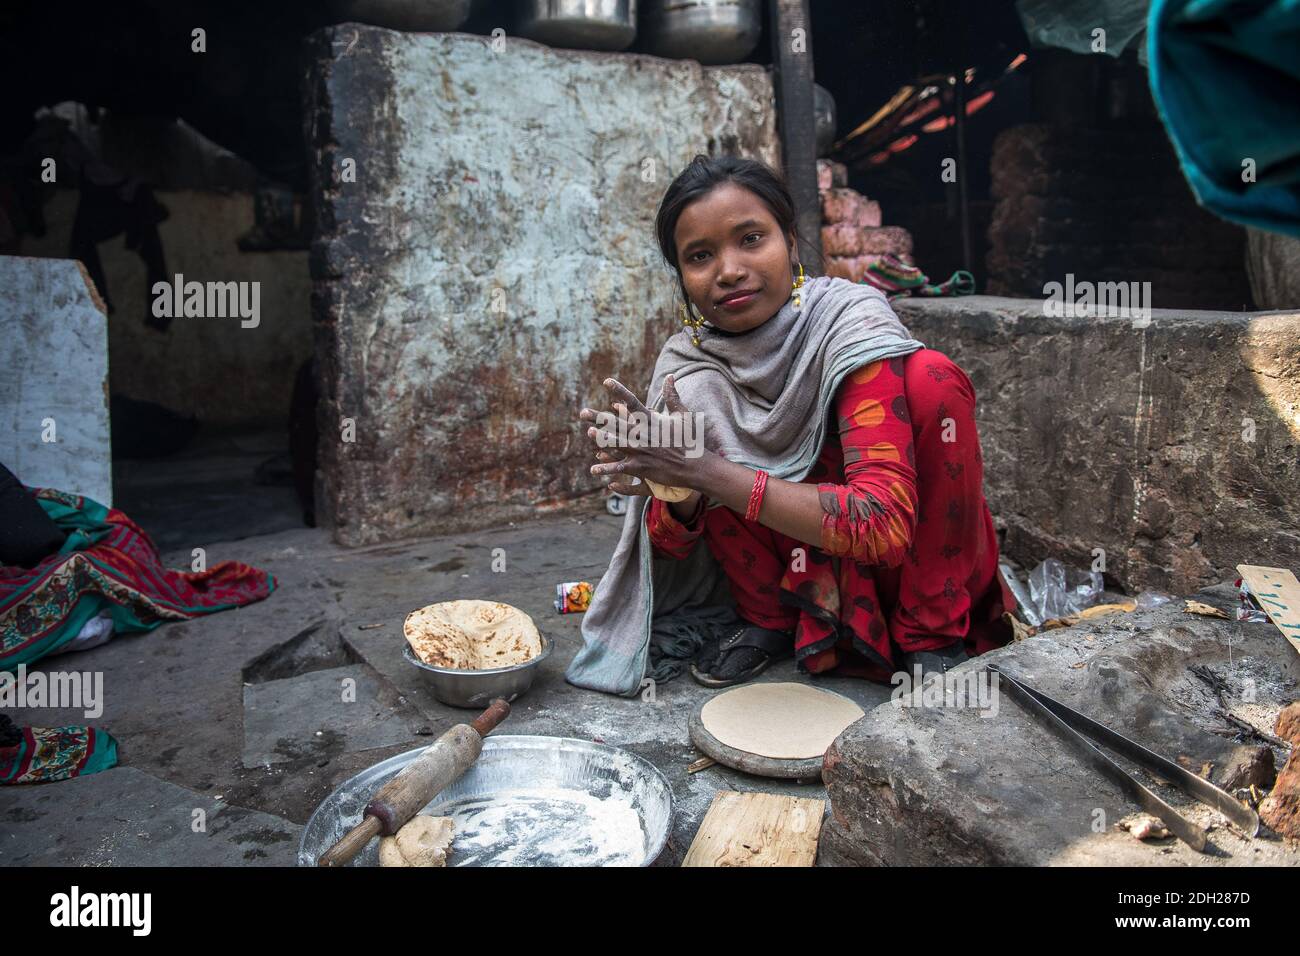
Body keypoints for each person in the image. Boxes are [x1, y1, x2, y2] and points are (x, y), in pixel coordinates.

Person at [567, 155, 1015, 696]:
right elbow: (670, 543)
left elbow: (884, 525)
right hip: (792, 573)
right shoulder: (688, 371)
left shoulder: (848, 323)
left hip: (903, 570)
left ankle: (930, 635)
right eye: (700, 256)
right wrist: (674, 483)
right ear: (682, 277)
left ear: (793, 244)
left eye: (751, 239)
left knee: (931, 378)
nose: (728, 269)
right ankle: (771, 620)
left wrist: (706, 470)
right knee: (704, 436)